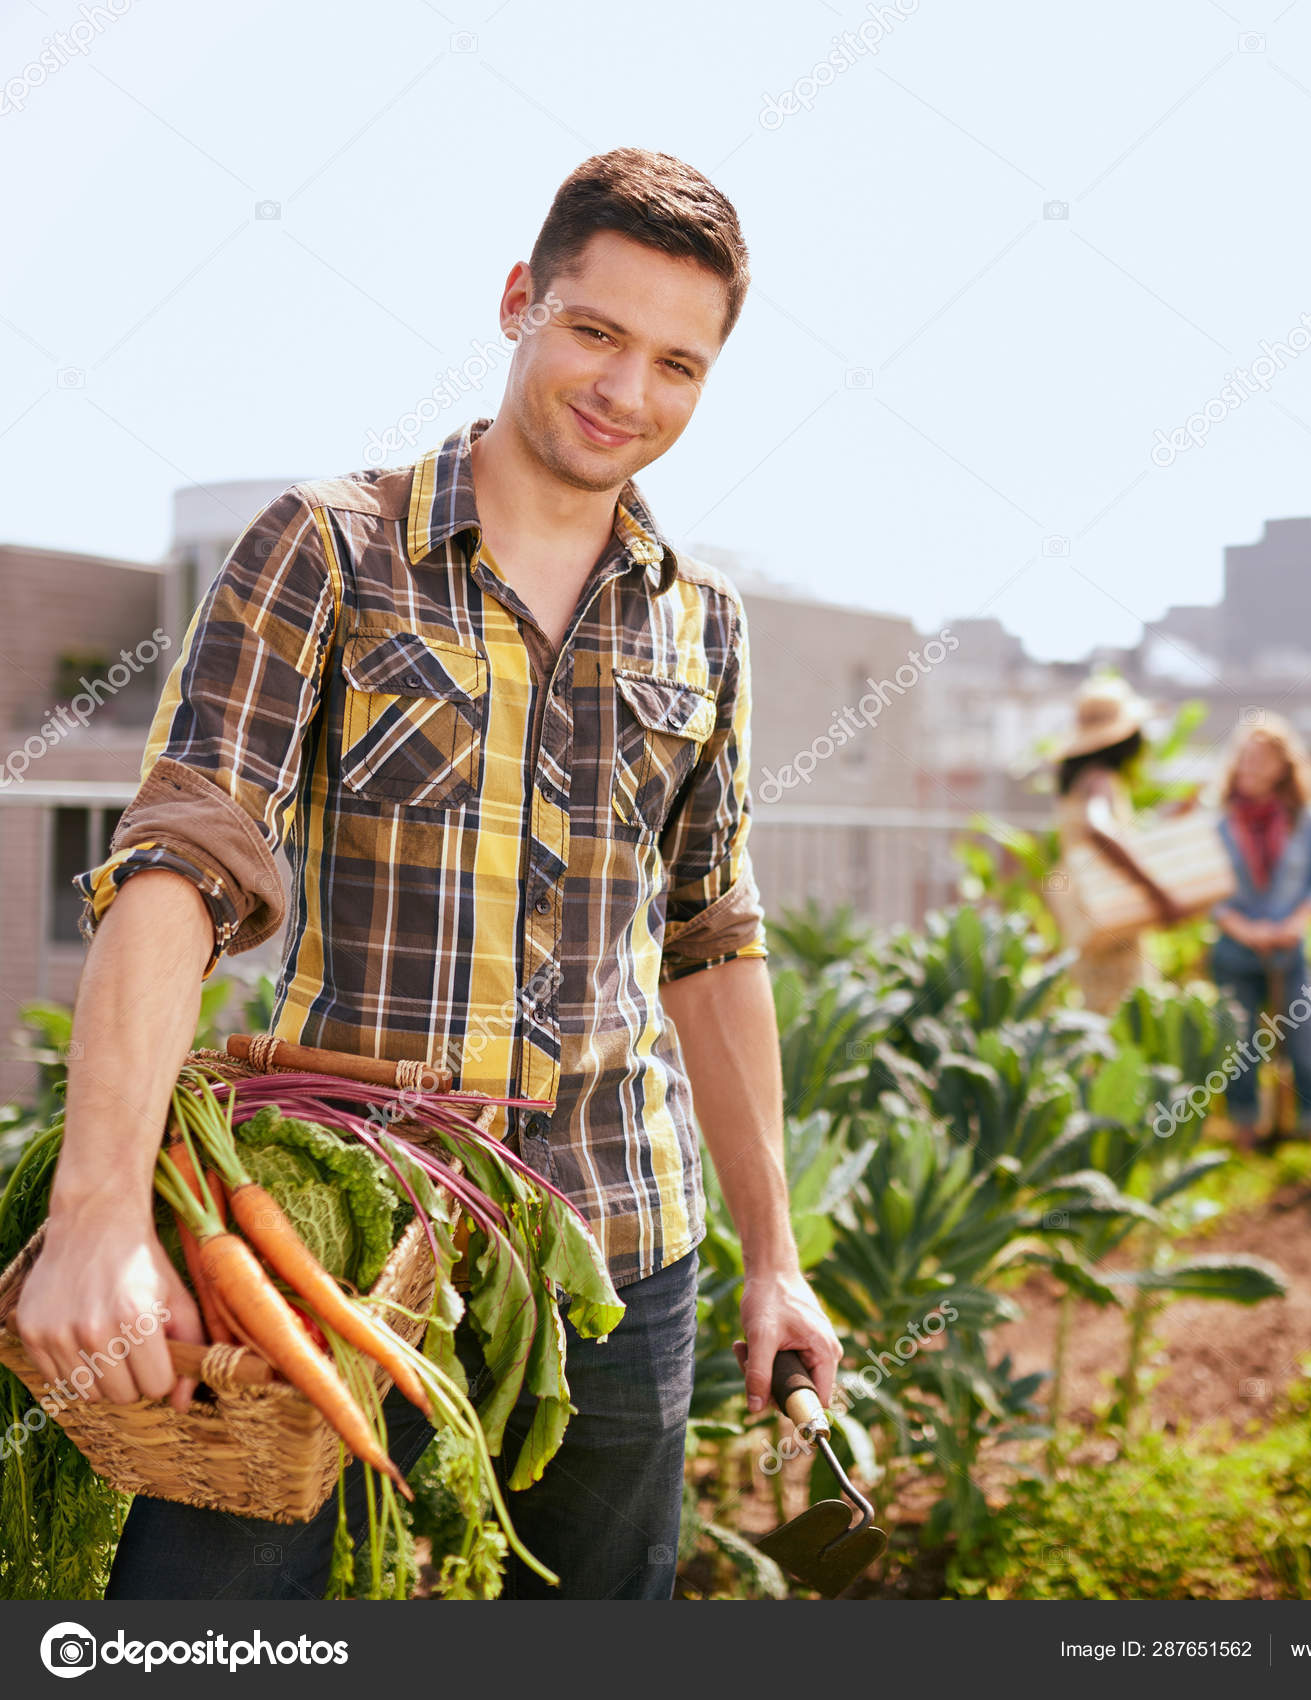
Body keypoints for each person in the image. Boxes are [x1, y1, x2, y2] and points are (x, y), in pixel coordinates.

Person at [16, 147, 842, 1601]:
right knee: (200, 1629)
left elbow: (712, 940)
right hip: (337, 1239)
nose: (626, 393)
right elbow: (180, 863)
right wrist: (96, 1215)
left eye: (677, 364)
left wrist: (774, 1257)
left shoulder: (703, 626)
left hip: (622, 1234)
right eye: (595, 331)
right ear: (522, 300)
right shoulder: (330, 548)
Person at [1210, 714, 1311, 1148]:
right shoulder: (1219, 824)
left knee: (1304, 1047)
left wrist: (1293, 924)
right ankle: (1245, 1133)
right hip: (1234, 952)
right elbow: (1209, 892)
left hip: (1290, 951)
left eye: (1262, 759)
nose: (1252, 767)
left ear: (1284, 766)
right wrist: (1243, 929)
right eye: (1245, 758)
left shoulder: (1307, 821)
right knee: (1240, 1050)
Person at [1052, 676, 1185, 1016]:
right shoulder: (1101, 780)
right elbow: (1099, 827)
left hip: (1088, 921)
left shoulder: (1078, 783)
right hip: (1113, 925)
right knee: (1126, 1020)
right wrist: (1157, 892)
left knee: (1097, 1017)